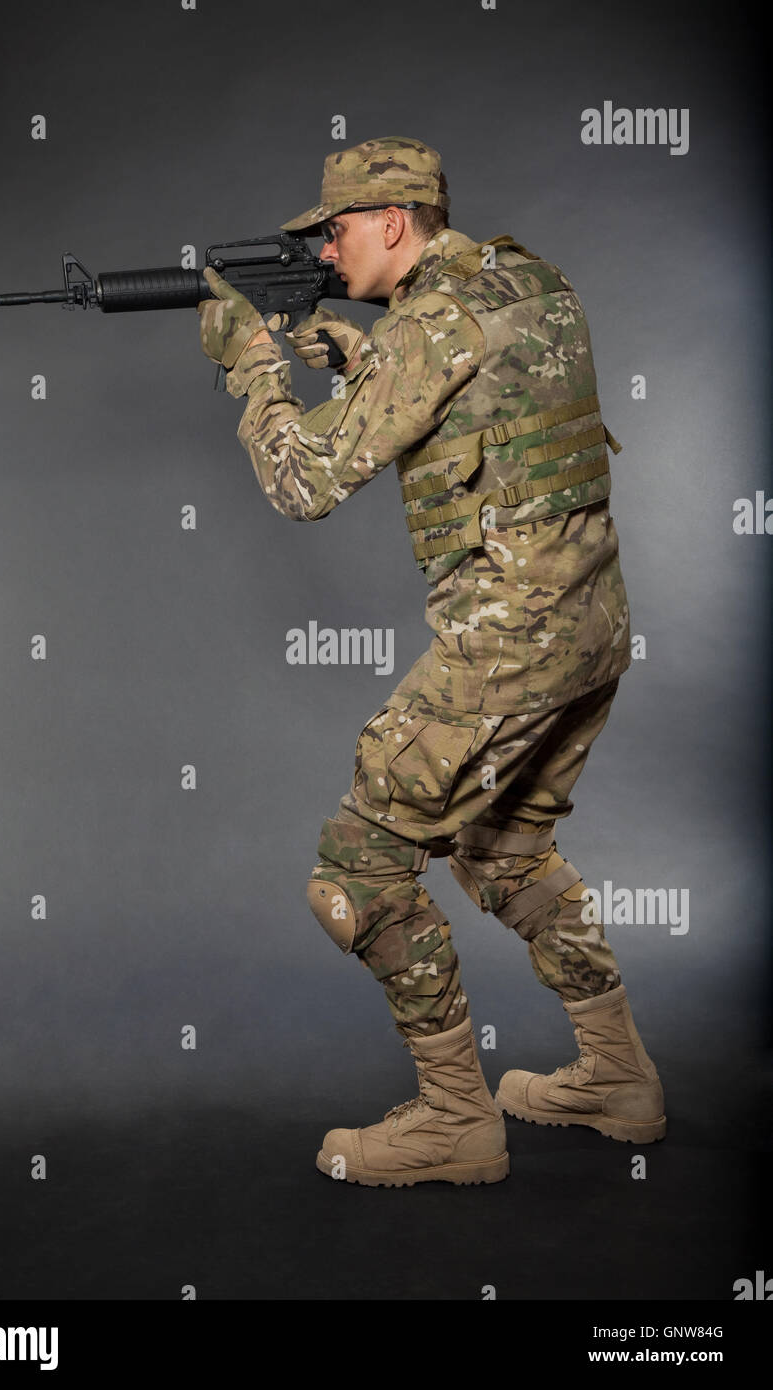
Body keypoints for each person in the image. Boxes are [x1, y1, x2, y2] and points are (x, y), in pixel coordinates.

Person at [197, 136, 666, 1188]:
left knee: (355, 873)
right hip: (589, 632)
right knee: (503, 850)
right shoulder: (520, 277)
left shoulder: (426, 324)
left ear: (393, 223)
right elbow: (493, 405)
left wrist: (253, 369)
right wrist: (363, 362)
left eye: (336, 227)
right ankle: (617, 1075)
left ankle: (456, 1117)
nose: (323, 247)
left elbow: (303, 483)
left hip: (507, 646)